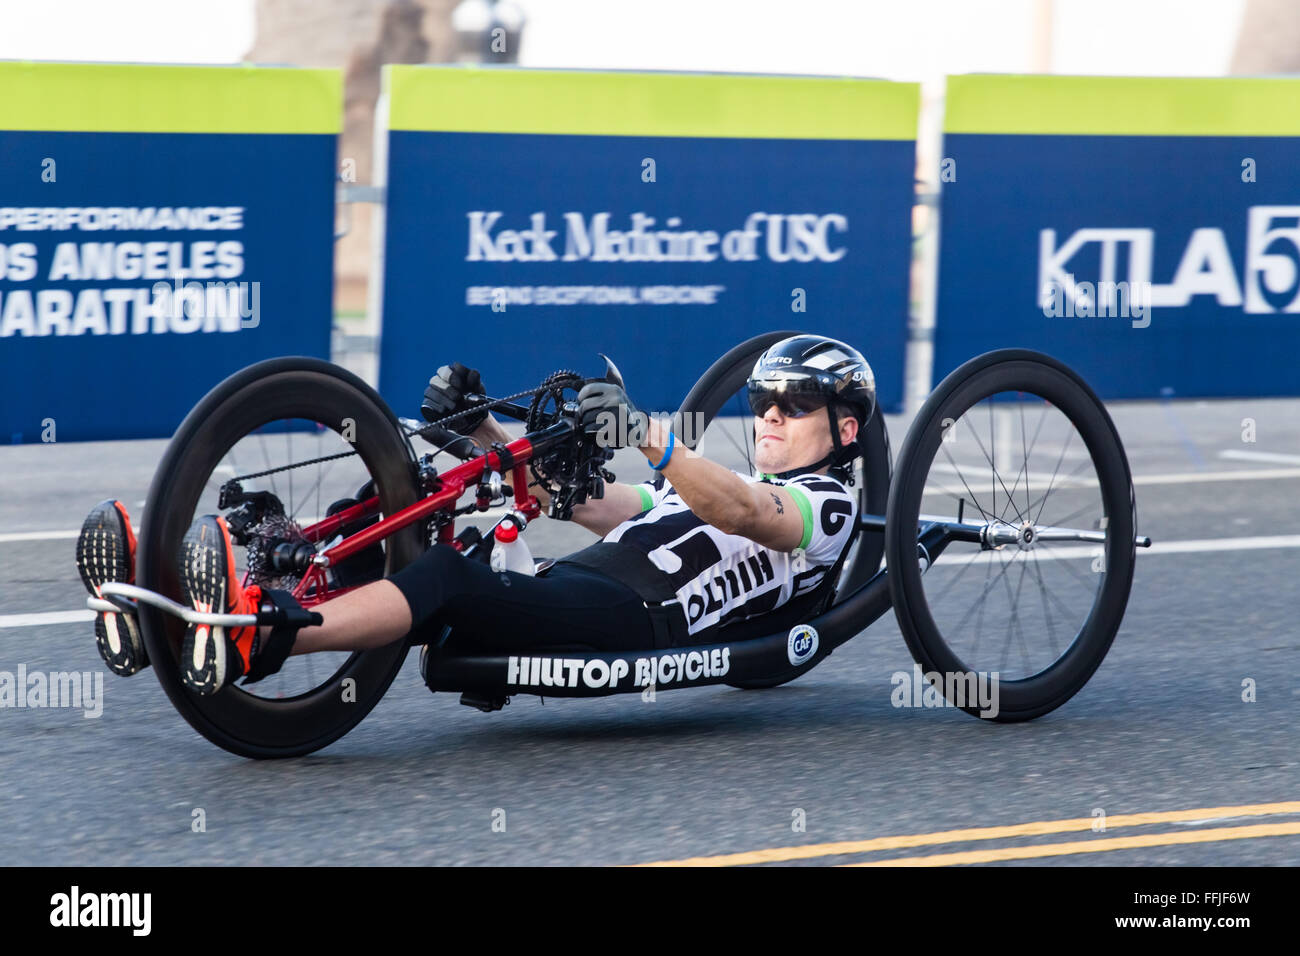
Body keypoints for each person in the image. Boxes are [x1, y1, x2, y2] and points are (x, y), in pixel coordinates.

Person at [76, 334, 876, 696]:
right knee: (403, 524)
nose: (771, 415)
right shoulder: (706, 483)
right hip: (577, 589)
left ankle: (264, 636)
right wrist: (481, 434)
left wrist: (644, 432)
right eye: (764, 399)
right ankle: (169, 616)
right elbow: (594, 502)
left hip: (634, 621)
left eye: (795, 403)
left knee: (448, 577)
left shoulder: (827, 507)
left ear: (844, 428)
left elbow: (742, 511)